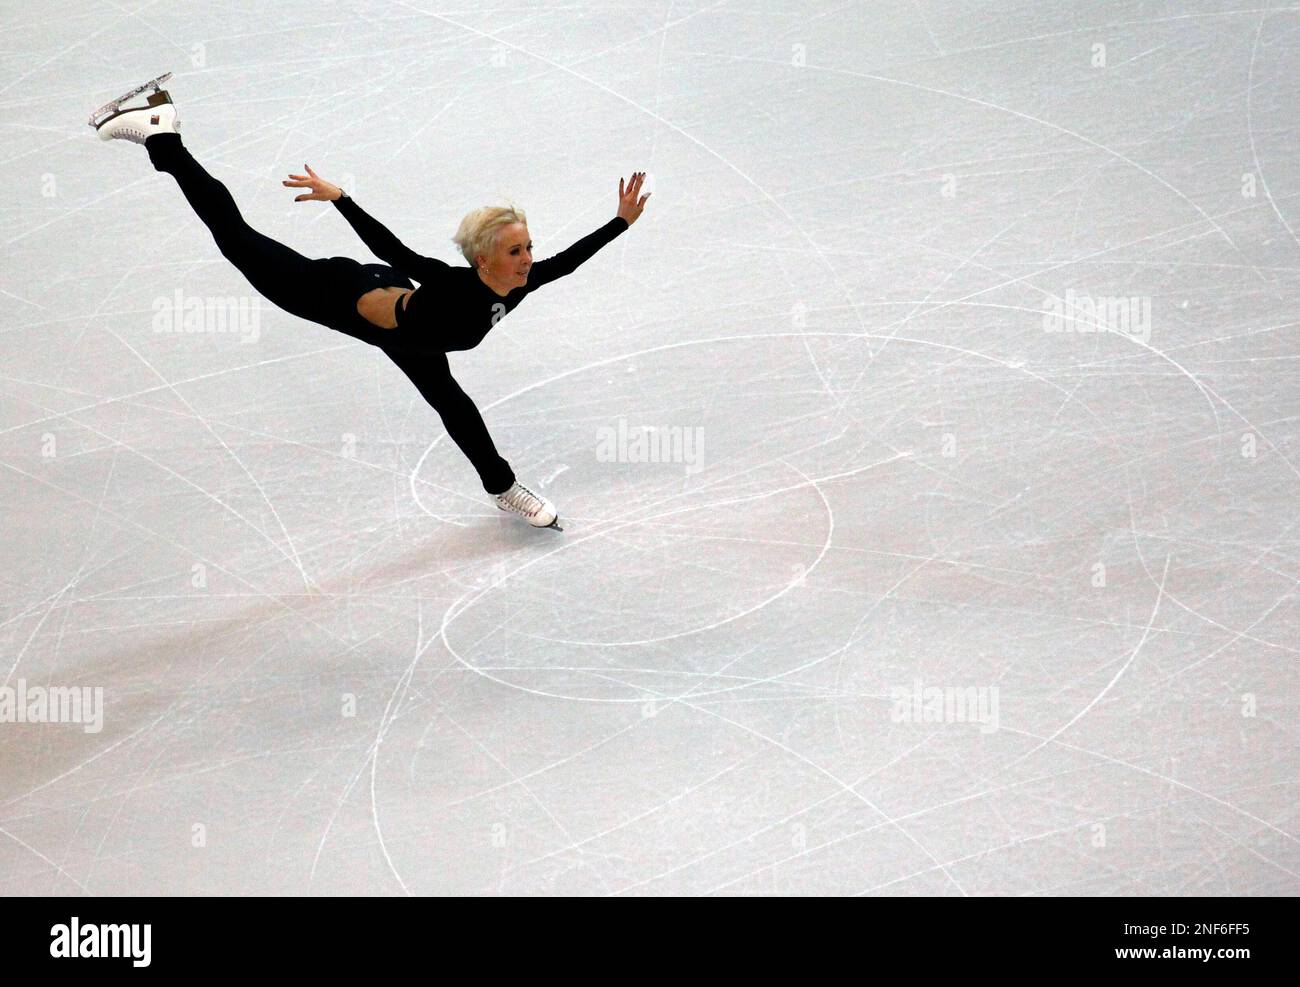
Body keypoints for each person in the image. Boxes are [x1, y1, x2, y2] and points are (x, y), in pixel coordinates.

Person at [91, 77, 651, 529]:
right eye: (515, 251)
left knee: (455, 407)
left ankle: (503, 489)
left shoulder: (521, 281)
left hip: (406, 330)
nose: (529, 258)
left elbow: (571, 259)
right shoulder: (453, 286)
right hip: (332, 295)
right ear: (484, 261)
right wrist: (342, 199)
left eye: (528, 247)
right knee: (235, 237)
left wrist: (620, 223)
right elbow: (394, 248)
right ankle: (162, 135)